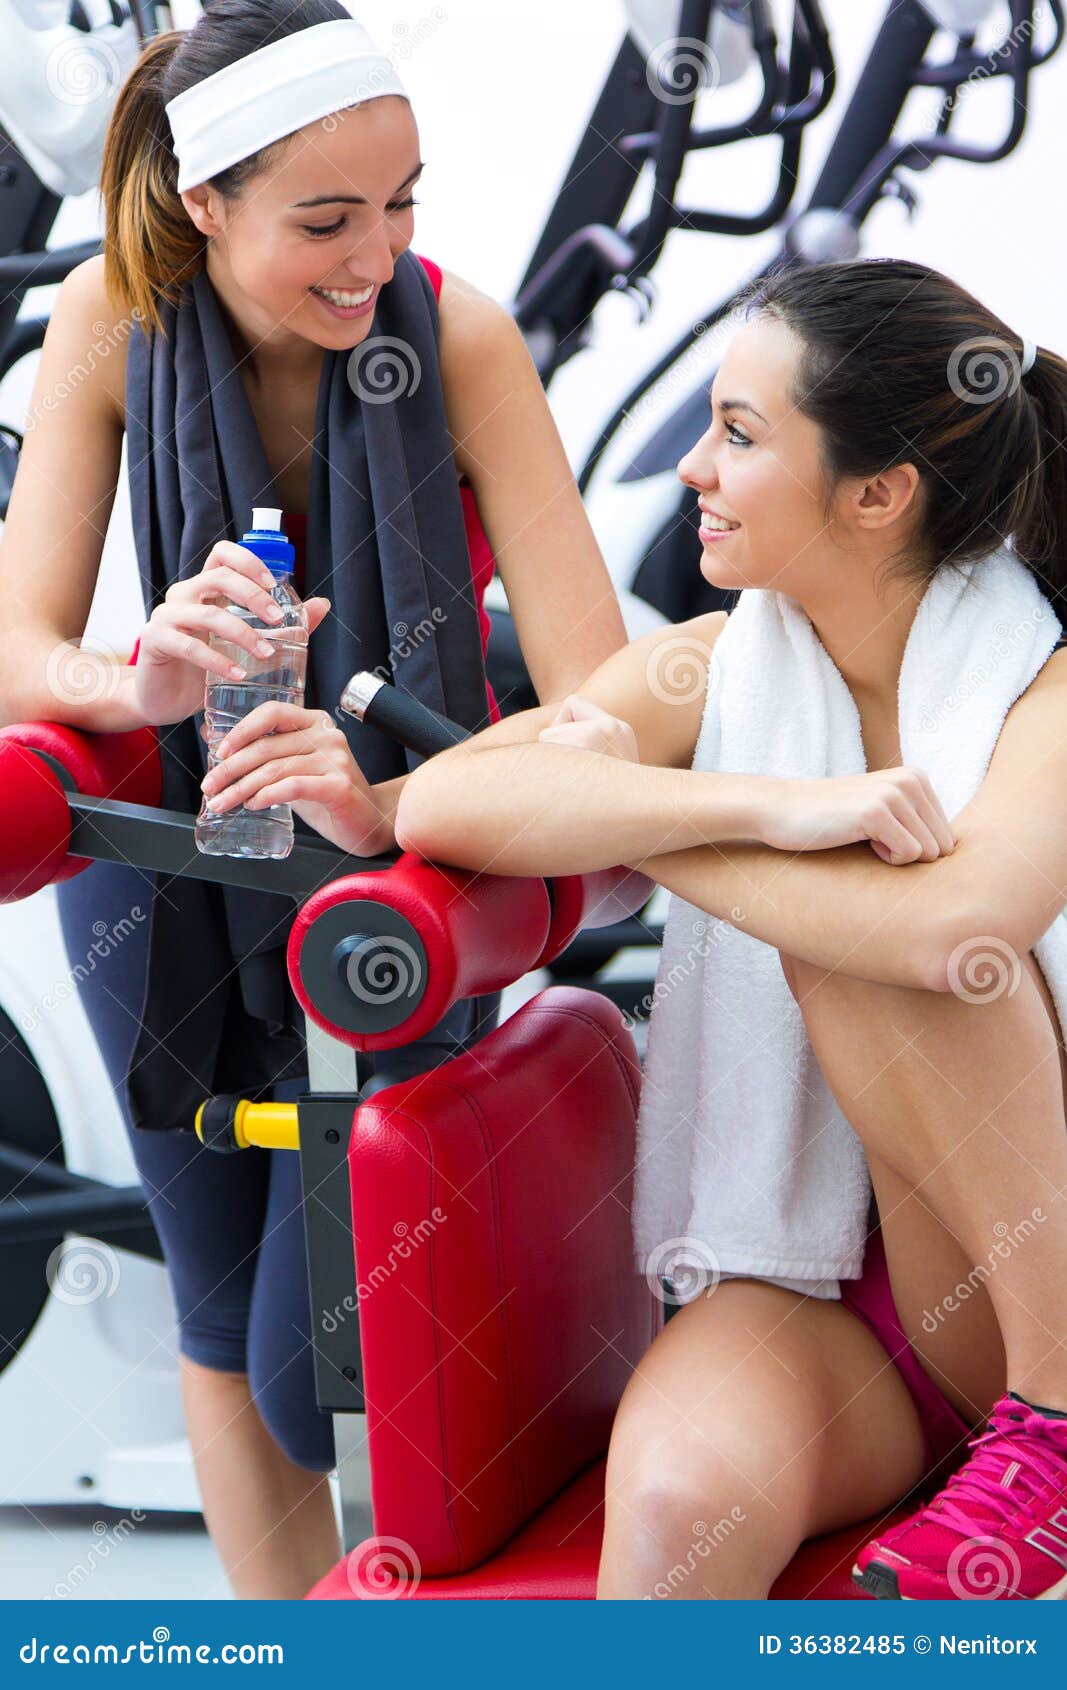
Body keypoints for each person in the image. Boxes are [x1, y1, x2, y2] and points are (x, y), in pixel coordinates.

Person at [0, 1, 627, 1598]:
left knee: (313, 1361)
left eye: (406, 202)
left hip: (395, 876)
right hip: (168, 870)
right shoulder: (105, 320)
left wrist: (396, 796)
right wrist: (134, 682)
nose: (380, 255)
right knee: (221, 1319)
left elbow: (599, 704)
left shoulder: (458, 337)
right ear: (203, 205)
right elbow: (19, 647)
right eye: (329, 221)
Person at [394, 257, 1067, 1601]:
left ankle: (1058, 1417)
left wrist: (659, 827)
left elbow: (963, 929)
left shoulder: (1046, 688)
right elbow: (451, 794)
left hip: (1030, 1271)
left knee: (870, 926)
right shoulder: (721, 669)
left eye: (741, 435)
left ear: (876, 494)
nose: (694, 466)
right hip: (859, 1307)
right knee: (676, 1506)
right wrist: (768, 806)